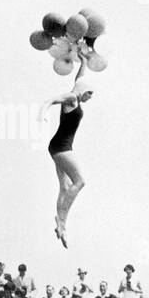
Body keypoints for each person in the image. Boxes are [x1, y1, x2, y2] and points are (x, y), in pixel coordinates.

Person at [42, 57, 94, 247]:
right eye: (90, 92)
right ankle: (62, 221)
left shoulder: (75, 97)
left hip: (59, 146)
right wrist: (43, 114)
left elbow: (79, 80)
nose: (91, 96)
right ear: (82, 91)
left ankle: (61, 226)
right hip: (62, 147)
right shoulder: (72, 98)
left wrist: (83, 62)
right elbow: (52, 100)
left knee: (64, 188)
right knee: (80, 181)